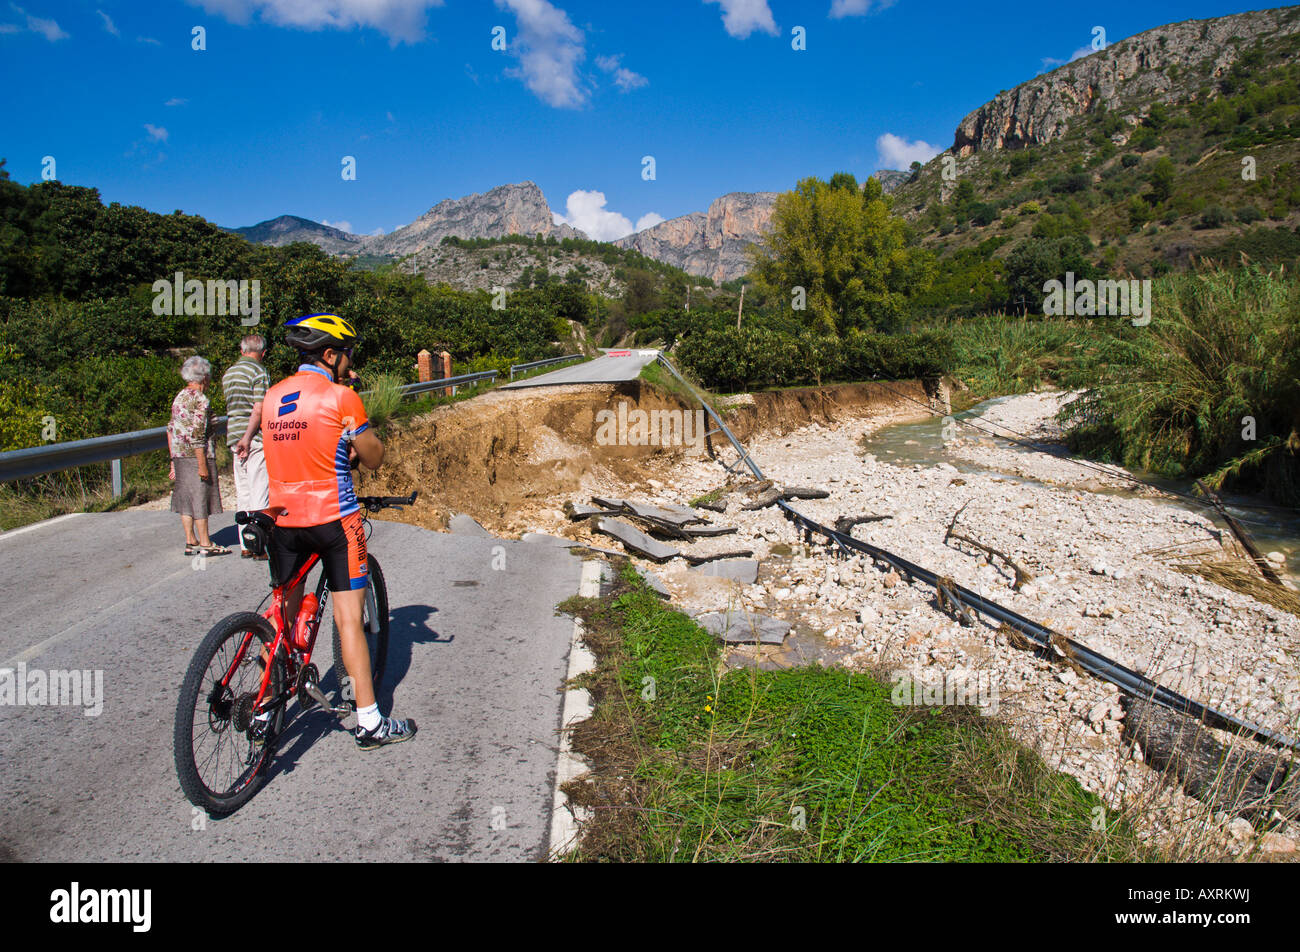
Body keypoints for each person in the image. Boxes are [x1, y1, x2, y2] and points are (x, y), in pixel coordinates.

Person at [260, 313, 417, 751]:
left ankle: (263, 706)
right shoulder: (342, 396)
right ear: (330, 354)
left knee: (283, 616)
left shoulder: (271, 397)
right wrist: (357, 431)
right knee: (349, 618)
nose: (350, 361)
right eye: (347, 353)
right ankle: (370, 722)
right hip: (333, 520)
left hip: (282, 521)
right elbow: (373, 458)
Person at [167, 356, 229, 555]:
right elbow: (197, 434)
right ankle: (205, 542)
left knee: (185, 499)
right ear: (204, 377)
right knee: (200, 498)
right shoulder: (200, 399)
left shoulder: (180, 397)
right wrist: (202, 464)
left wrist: (172, 462)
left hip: (179, 455)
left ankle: (190, 539)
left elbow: (170, 429)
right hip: (197, 455)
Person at [221, 334, 271, 559]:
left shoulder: (229, 373)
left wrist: (239, 438)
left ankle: (245, 542)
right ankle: (259, 543)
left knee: (243, 491)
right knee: (259, 488)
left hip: (233, 434)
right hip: (254, 437)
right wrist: (249, 437)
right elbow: (259, 409)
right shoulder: (259, 372)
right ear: (262, 353)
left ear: (242, 351)